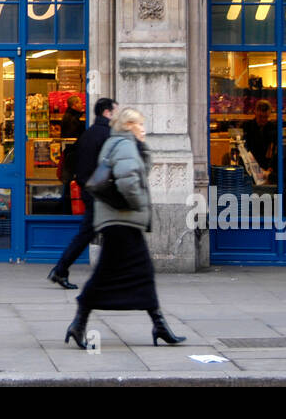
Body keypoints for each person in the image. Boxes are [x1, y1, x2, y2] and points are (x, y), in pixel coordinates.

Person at [64, 107, 185, 349]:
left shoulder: (121, 143)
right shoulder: (125, 144)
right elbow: (128, 179)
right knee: (125, 273)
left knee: (137, 272)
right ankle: (81, 322)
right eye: (139, 124)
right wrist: (140, 204)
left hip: (120, 221)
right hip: (121, 220)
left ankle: (158, 325)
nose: (143, 129)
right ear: (129, 126)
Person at [48, 97, 116, 289]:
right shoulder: (106, 135)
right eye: (115, 112)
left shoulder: (88, 134)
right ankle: (61, 270)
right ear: (107, 112)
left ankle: (62, 270)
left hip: (91, 191)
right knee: (92, 234)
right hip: (99, 194)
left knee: (101, 233)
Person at [241, 99, 277, 182]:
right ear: (255, 112)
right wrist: (254, 167)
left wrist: (270, 168)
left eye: (266, 117)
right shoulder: (247, 126)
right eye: (260, 116)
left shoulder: (273, 128)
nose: (263, 120)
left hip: (267, 167)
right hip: (249, 167)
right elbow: (244, 149)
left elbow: (275, 150)